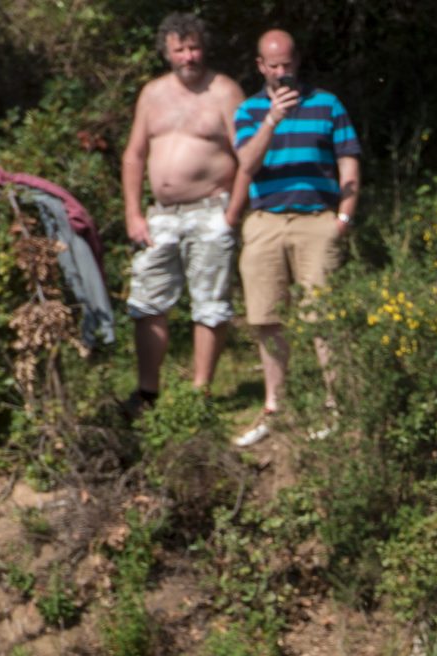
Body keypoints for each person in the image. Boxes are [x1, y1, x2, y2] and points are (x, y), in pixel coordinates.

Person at [232, 29, 363, 446]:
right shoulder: (249, 110)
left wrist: (343, 217)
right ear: (260, 67)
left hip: (317, 221)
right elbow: (246, 164)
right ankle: (276, 406)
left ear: (297, 61)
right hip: (266, 220)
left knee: (324, 317)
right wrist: (273, 119)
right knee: (266, 317)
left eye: (288, 64)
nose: (282, 73)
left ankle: (338, 406)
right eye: (274, 66)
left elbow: (349, 162)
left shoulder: (327, 104)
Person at [120, 13, 245, 413]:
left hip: (211, 210)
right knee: (148, 300)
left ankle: (199, 393)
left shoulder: (225, 92)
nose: (189, 56)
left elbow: (249, 157)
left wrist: (233, 213)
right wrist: (133, 213)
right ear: (167, 53)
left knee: (209, 304)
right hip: (160, 215)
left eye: (194, 47)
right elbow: (134, 155)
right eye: (180, 49)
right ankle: (147, 393)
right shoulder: (152, 94)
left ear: (204, 48)